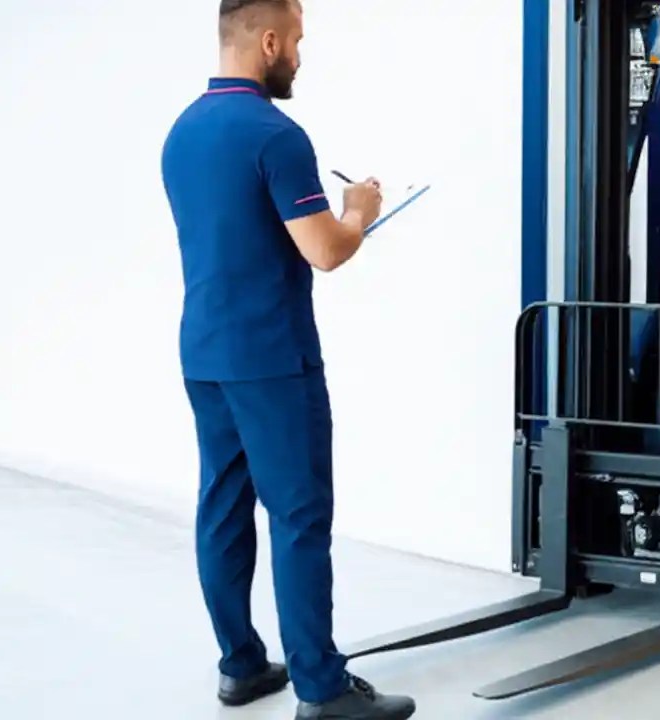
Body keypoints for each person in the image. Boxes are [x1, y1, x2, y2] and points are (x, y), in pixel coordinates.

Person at [159, 1, 415, 718]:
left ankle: (241, 665)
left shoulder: (182, 133)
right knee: (299, 516)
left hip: (205, 350)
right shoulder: (276, 135)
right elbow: (326, 251)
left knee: (223, 506)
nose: (300, 55)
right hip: (272, 356)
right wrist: (358, 207)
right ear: (268, 40)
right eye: (296, 41)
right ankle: (322, 690)